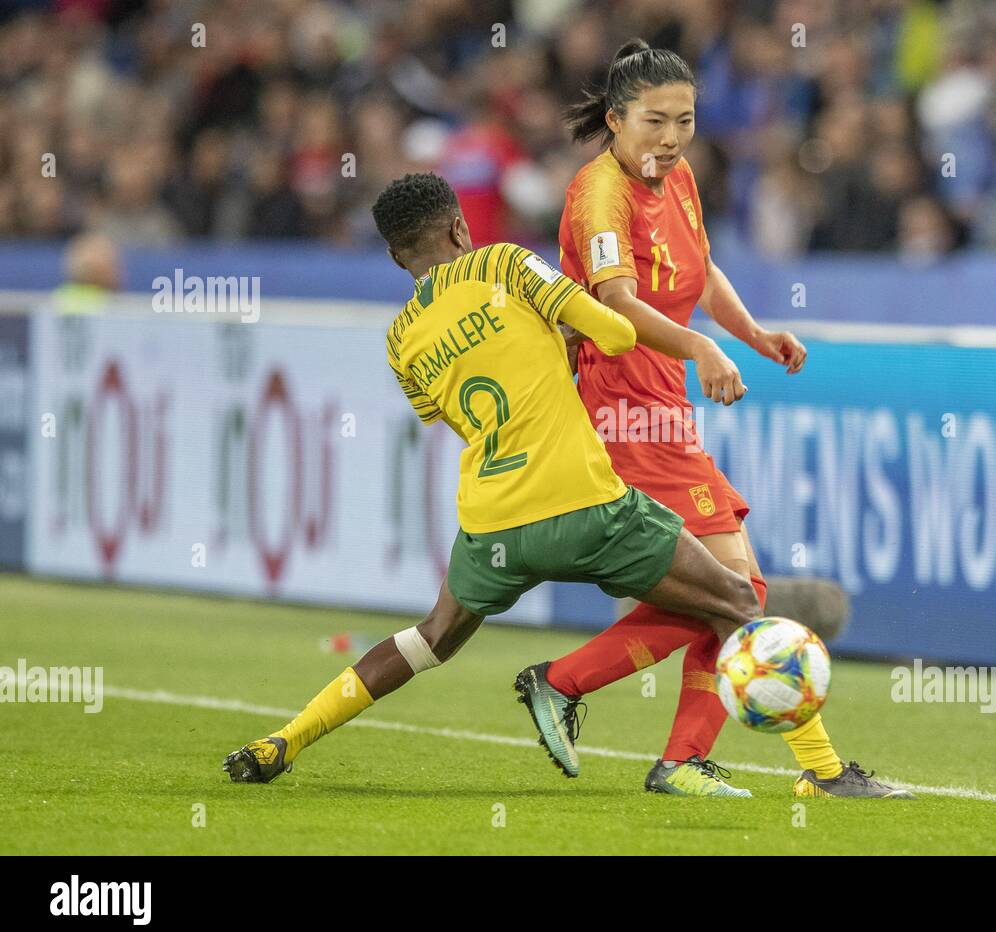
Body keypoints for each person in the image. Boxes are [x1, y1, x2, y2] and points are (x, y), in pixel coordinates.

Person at [222, 172, 761, 783]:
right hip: (586, 505)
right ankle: (747, 754)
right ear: (460, 227)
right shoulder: (505, 263)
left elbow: (462, 416)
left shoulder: (400, 340)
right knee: (738, 599)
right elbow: (618, 332)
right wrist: (567, 327)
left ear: (398, 256)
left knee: (431, 638)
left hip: (492, 522)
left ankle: (283, 741)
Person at [520, 40, 912, 799]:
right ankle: (805, 768)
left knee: (717, 598)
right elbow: (616, 302)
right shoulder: (598, 194)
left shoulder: (679, 178)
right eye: (654, 122)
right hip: (621, 410)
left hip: (662, 405)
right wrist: (702, 346)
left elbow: (700, 269)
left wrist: (753, 334)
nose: (670, 138)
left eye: (685, 121)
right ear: (615, 118)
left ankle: (582, 694)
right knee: (738, 592)